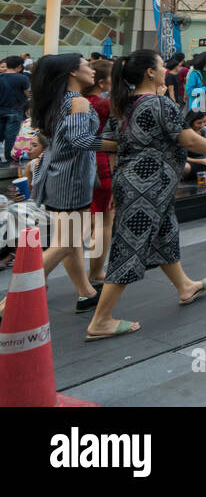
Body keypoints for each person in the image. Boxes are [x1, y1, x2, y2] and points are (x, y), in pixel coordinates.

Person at [83, 49, 206, 340]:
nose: (166, 69)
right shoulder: (158, 103)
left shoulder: (124, 103)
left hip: (139, 184)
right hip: (149, 186)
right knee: (130, 247)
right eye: (161, 66)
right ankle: (100, 320)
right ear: (150, 73)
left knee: (165, 233)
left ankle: (185, 286)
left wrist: (119, 181)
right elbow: (188, 137)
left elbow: (111, 144)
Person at [1, 55, 119, 320]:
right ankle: (9, 303)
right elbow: (80, 139)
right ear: (72, 73)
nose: (90, 68)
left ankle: (86, 293)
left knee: (70, 242)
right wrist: (118, 145)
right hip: (71, 179)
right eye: (85, 65)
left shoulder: (58, 100)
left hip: (57, 176)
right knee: (67, 243)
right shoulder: (77, 101)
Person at [85, 59, 116, 284]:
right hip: (97, 163)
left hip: (70, 168)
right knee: (104, 219)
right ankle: (95, 272)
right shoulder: (101, 105)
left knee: (73, 227)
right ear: (103, 83)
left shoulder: (70, 101)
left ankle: (82, 283)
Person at [0, 55, 31, 162]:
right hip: (15, 110)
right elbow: (27, 94)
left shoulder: (1, 77)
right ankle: (9, 158)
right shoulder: (23, 78)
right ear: (18, 66)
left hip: (1, 109)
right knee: (11, 136)